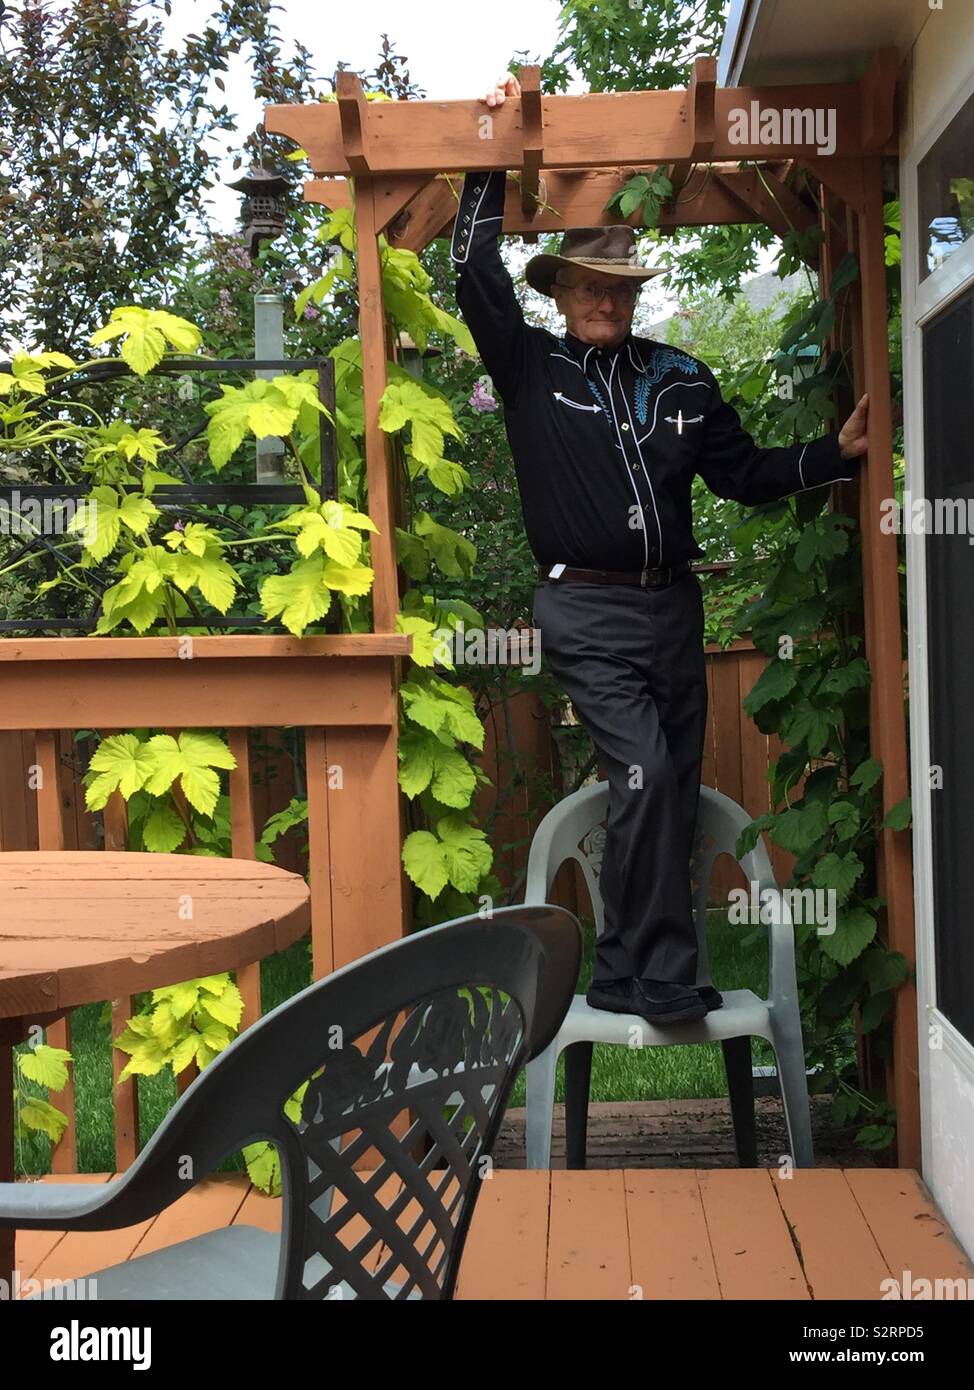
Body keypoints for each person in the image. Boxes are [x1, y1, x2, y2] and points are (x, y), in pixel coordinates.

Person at [451, 72, 870, 1025]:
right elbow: (475, 277)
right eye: (586, 284)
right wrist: (486, 158)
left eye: (617, 285)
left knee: (671, 786)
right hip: (584, 609)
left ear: (633, 292)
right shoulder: (530, 368)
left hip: (672, 605)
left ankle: (625, 971)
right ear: (562, 291)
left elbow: (744, 473)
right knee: (640, 770)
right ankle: (660, 973)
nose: (602, 298)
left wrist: (833, 459)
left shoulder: (682, 376)